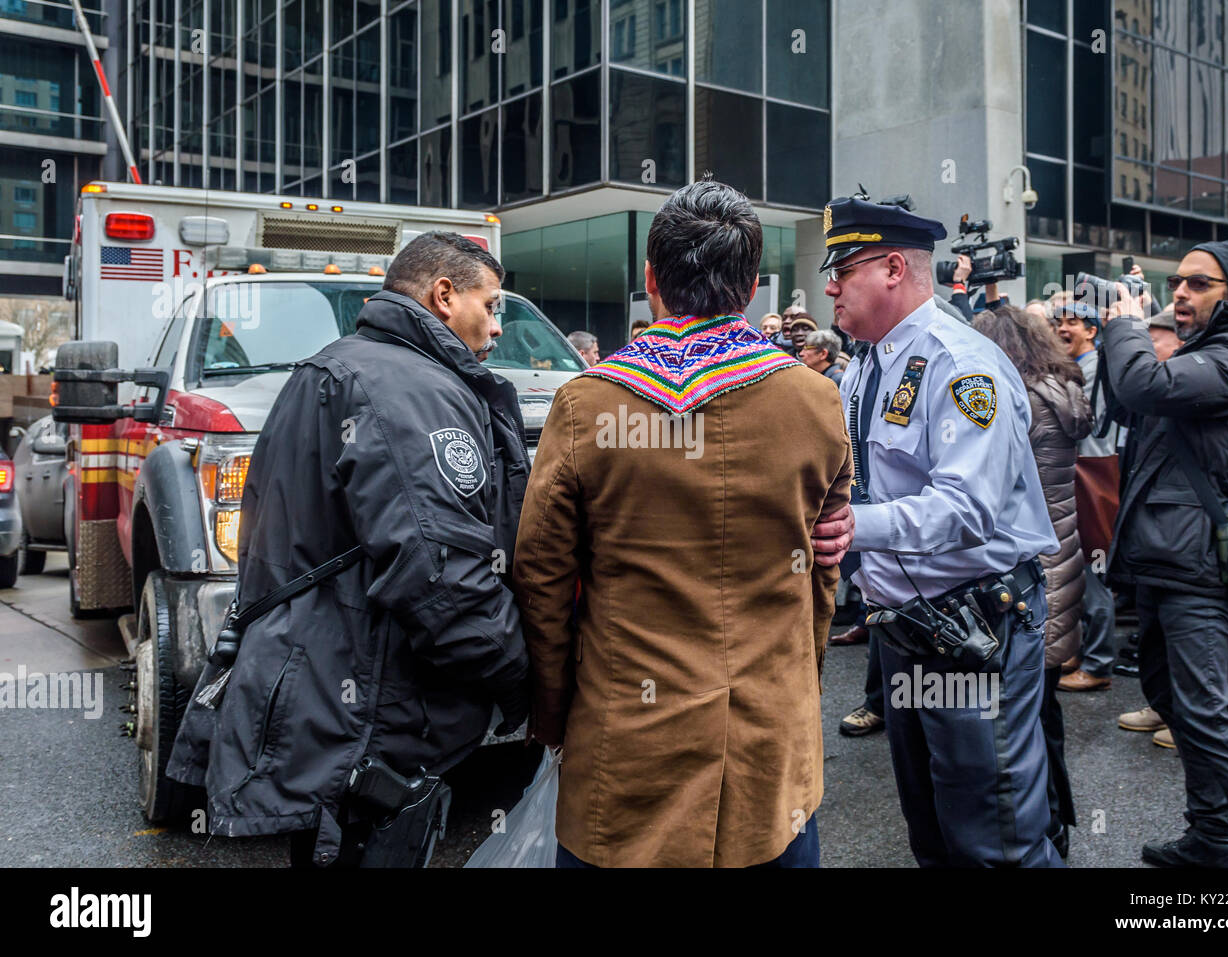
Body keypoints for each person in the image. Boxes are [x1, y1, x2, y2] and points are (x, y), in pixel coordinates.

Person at [513, 179, 852, 868]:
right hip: (769, 751)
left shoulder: (588, 406)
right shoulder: (817, 403)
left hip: (628, 752)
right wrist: (797, 683)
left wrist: (552, 715)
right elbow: (822, 567)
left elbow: (542, 578)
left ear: (650, 279)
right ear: (751, 285)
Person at [166, 232, 532, 867]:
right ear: (443, 296)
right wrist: (524, 677)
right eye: (491, 305)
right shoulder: (411, 391)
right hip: (370, 700)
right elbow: (443, 578)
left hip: (328, 687)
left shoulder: (339, 365)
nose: (497, 327)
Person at [810, 193, 1064, 867]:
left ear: (894, 267)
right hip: (908, 627)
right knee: (932, 827)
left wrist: (850, 526)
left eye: (844, 267)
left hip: (972, 623)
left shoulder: (961, 362)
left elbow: (968, 508)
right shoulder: (867, 361)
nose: (829, 284)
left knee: (994, 837)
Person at [1099, 238, 1228, 867]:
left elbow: (1144, 387)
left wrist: (1129, 327)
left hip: (1201, 567)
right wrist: (1121, 339)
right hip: (1167, 555)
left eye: (1198, 283)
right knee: (1176, 701)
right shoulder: (1210, 348)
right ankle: (1213, 836)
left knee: (1208, 713)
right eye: (1178, 281)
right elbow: (1130, 409)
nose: (1180, 292)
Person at [973, 305, 1093, 860]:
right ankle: (1059, 818)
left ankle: (1038, 829)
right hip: (1063, 557)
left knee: (1020, 719)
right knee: (1044, 709)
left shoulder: (1015, 400)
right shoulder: (1063, 390)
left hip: (1026, 568)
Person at [1053, 299, 1121, 694]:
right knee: (1078, 572)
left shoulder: (1094, 371)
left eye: (1073, 323)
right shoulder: (1080, 369)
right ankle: (1081, 654)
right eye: (1059, 322)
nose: (1063, 329)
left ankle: (1098, 663)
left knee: (1094, 576)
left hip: (1092, 479)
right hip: (1083, 477)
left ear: (1092, 331)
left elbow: (1080, 427)